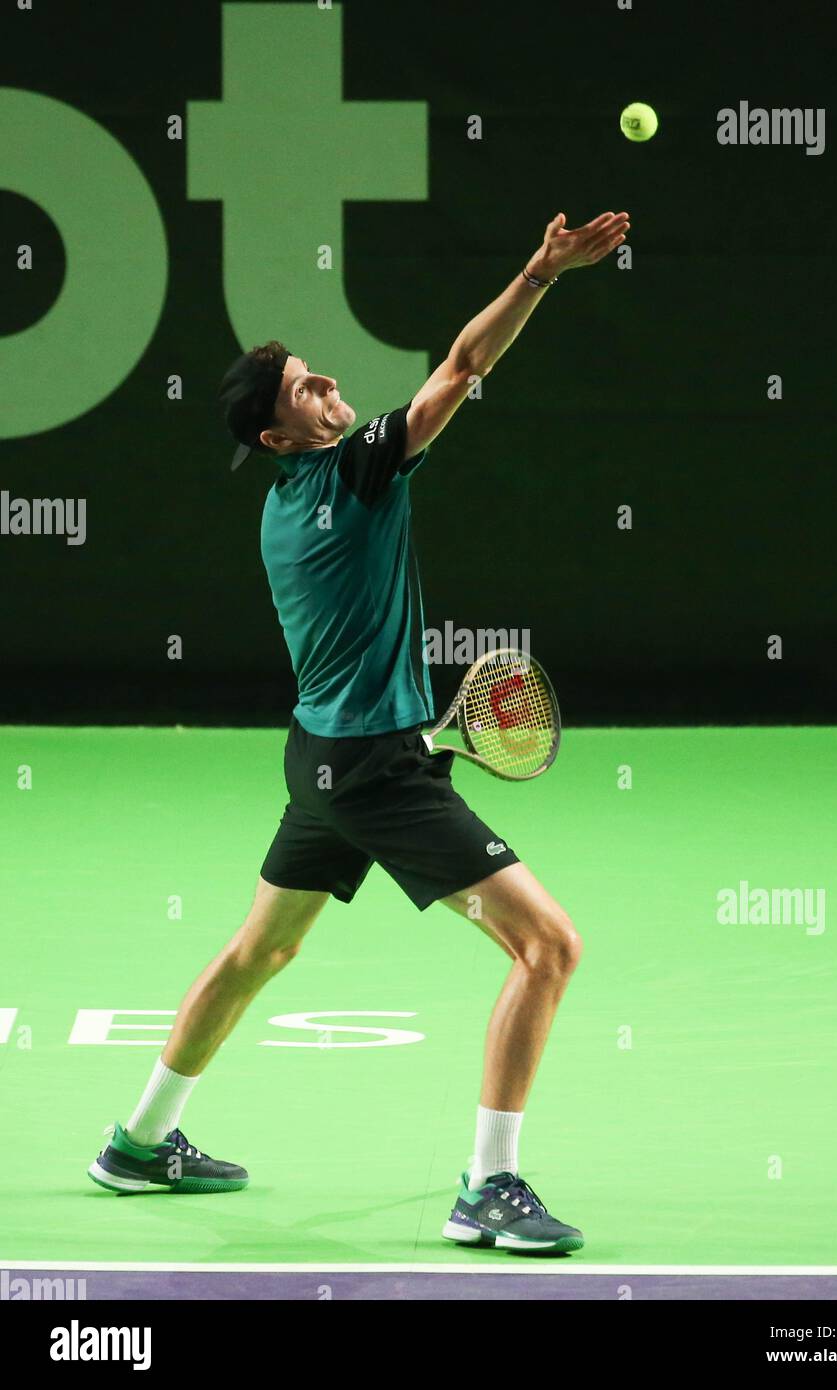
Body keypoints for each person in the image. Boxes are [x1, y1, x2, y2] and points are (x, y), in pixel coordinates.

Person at [88, 210, 630, 1254]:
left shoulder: (287, 504)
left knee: (261, 949)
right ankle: (491, 1186)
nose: (327, 383)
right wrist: (540, 272)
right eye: (305, 387)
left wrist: (399, 742)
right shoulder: (356, 468)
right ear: (279, 435)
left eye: (317, 373)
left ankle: (140, 1141)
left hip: (324, 757)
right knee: (548, 946)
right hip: (370, 768)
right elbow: (465, 364)